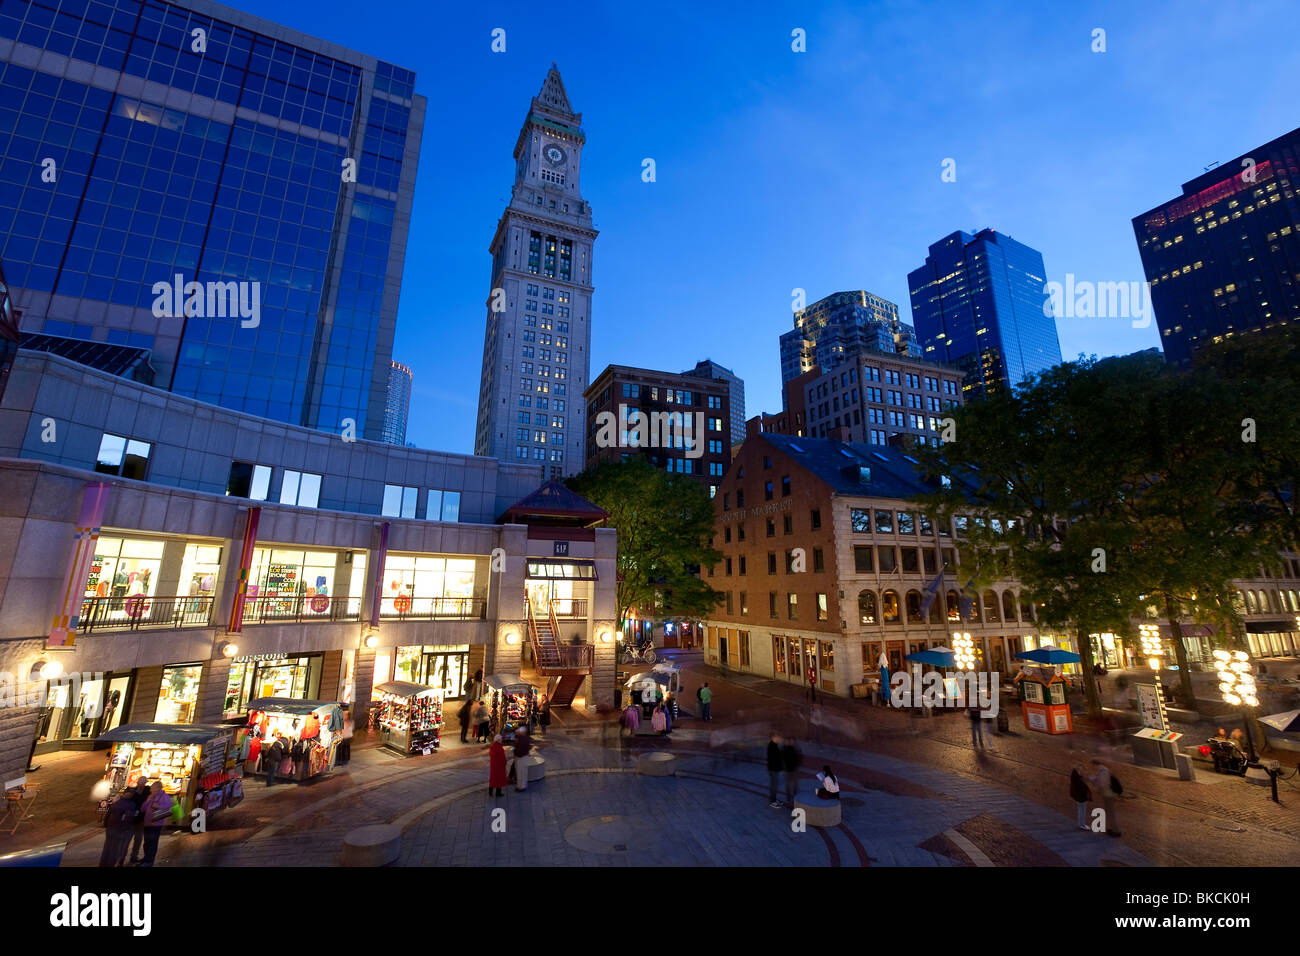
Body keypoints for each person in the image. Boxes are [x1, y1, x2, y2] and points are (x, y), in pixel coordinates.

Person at [139, 781, 174, 867]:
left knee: (152, 842)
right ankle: (146, 858)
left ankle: (149, 861)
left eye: (152, 788)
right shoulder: (150, 796)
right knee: (147, 843)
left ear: (158, 788)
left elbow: (169, 806)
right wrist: (147, 801)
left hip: (156, 823)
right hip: (147, 823)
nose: (151, 790)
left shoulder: (164, 796)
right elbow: (142, 809)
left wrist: (158, 806)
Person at [99, 791, 138, 867]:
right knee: (115, 849)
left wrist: (106, 825)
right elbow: (130, 818)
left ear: (123, 795)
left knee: (107, 847)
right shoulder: (132, 805)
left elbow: (107, 815)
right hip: (121, 829)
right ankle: (110, 864)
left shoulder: (116, 803)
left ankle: (103, 864)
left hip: (110, 828)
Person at [1087, 758, 1120, 837]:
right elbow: (1100, 781)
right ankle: (1112, 829)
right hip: (1107, 794)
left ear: (1095, 764)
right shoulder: (1102, 771)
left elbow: (1102, 784)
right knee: (1110, 812)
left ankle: (1116, 831)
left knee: (1111, 813)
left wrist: (1095, 784)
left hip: (1109, 795)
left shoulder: (1103, 771)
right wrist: (1092, 779)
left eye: (1092, 766)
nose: (1092, 768)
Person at [125, 779, 150, 864]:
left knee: (138, 840)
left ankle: (133, 857)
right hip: (131, 820)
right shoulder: (132, 791)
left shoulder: (147, 790)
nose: (142, 785)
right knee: (127, 840)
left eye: (143, 783)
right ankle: (122, 858)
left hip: (141, 819)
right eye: (141, 783)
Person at [510, 726, 532, 790]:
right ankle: (519, 786)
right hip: (521, 757)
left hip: (521, 757)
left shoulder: (523, 739)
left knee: (522, 773)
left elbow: (520, 749)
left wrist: (515, 752)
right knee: (520, 772)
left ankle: (522, 786)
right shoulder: (524, 738)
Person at [1070, 765, 1091, 830]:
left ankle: (1081, 824)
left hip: (1078, 796)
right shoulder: (1078, 780)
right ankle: (1082, 824)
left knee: (1080, 809)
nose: (1081, 771)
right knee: (1082, 810)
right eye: (1080, 769)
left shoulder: (1074, 778)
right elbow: (1083, 787)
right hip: (1081, 796)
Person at [782, 736, 801, 806]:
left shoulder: (795, 748)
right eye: (790, 741)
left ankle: (795, 797)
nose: (791, 742)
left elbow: (799, 757)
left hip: (794, 769)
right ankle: (788, 798)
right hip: (787, 770)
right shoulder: (785, 748)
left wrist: (798, 765)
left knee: (795, 784)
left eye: (792, 741)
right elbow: (783, 758)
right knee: (788, 784)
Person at [766, 733, 784, 808]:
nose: (779, 738)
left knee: (775, 785)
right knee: (774, 786)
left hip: (775, 769)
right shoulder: (771, 746)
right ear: (773, 737)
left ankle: (774, 799)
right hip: (773, 769)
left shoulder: (774, 745)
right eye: (778, 737)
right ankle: (772, 801)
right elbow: (774, 758)